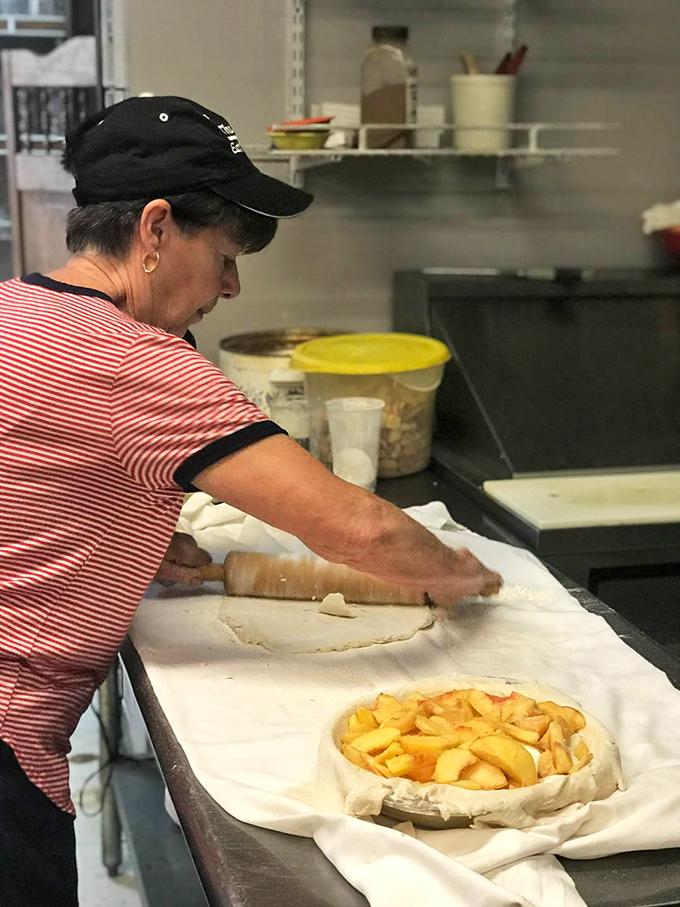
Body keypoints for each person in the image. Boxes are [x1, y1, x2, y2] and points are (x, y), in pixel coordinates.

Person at [0, 95, 501, 906]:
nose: (231, 287)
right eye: (227, 254)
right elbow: (354, 524)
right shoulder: (134, 359)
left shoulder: (16, 309)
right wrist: (459, 573)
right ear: (155, 229)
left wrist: (118, 534)